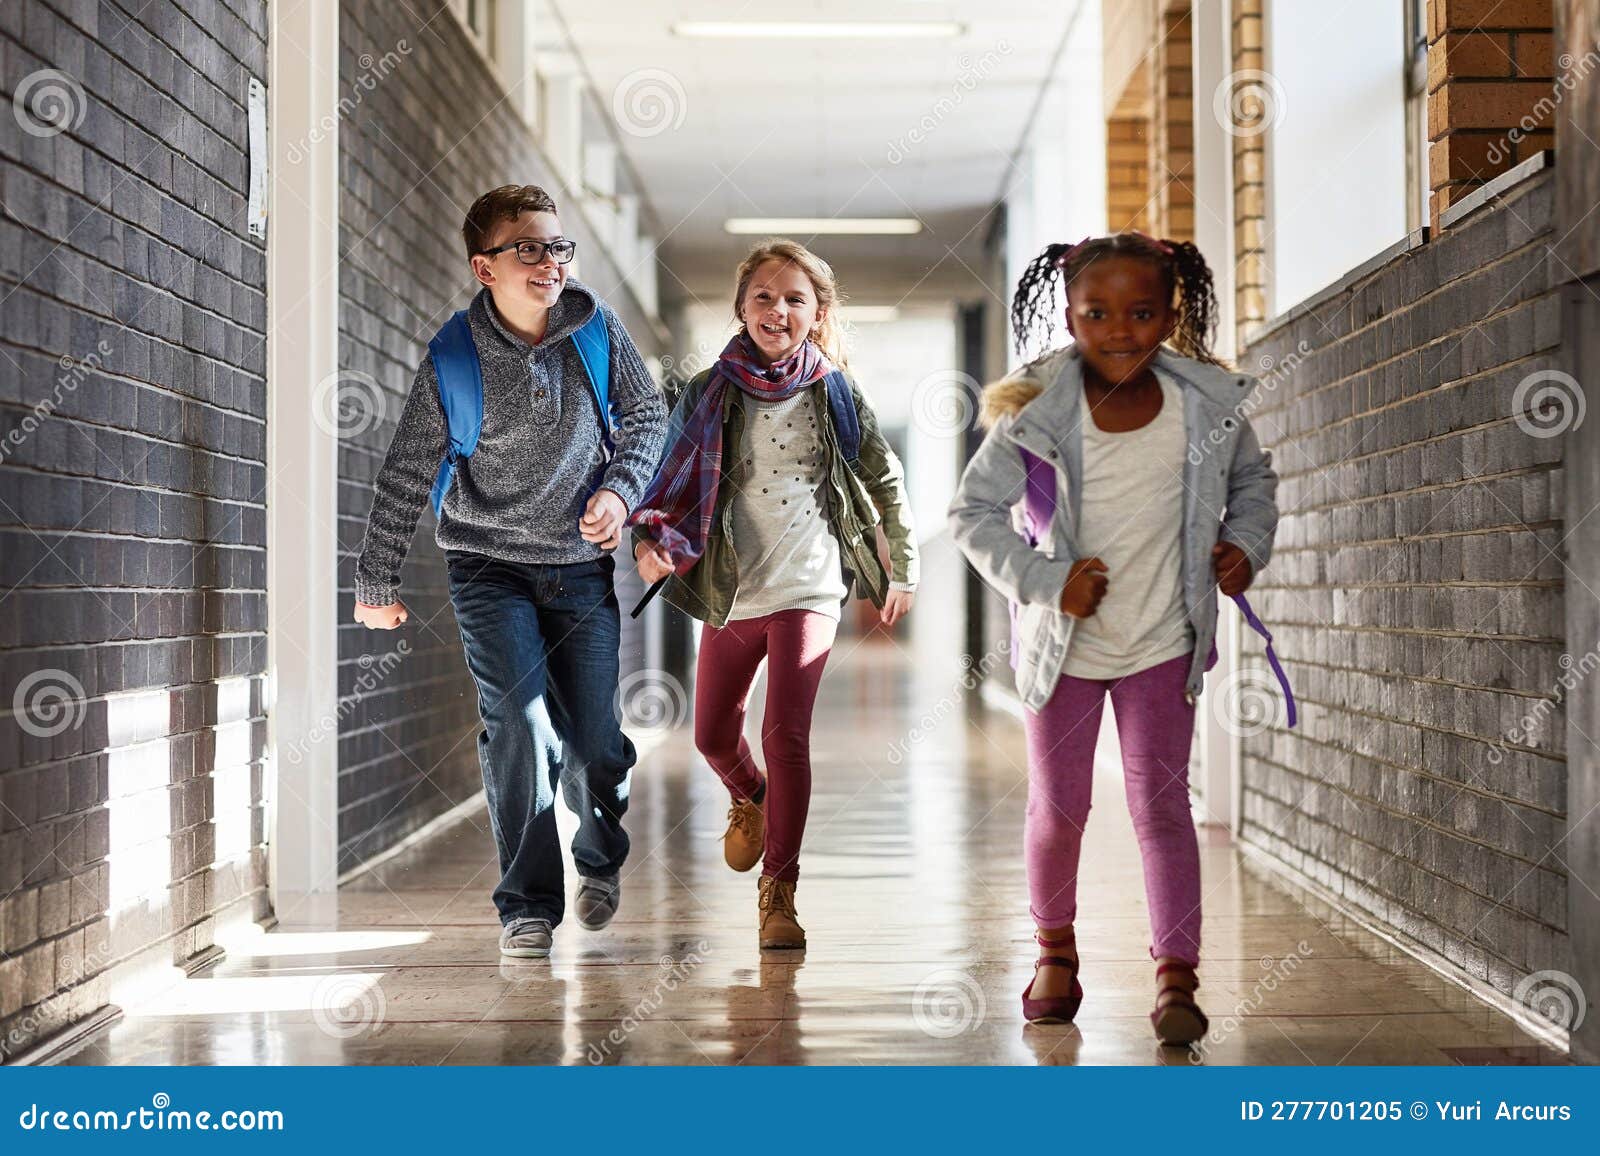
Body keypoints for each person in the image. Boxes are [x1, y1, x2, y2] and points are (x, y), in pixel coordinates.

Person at [949, 232, 1279, 1044]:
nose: (1119, 330)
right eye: (1097, 313)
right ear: (1070, 317)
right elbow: (973, 514)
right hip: (1063, 648)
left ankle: (1177, 978)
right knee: (1060, 808)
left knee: (1162, 809)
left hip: (1163, 641)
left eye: (1141, 312)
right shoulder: (1037, 410)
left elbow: (1253, 483)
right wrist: (1046, 581)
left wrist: (1245, 544)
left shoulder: (1205, 405)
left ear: (1170, 314)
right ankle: (1054, 954)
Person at [353, 185, 667, 959]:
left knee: (595, 743)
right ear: (484, 267)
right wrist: (376, 582)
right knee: (520, 729)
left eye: (558, 247)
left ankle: (600, 854)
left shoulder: (597, 330)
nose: (549, 262)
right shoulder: (454, 356)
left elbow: (647, 416)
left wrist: (619, 492)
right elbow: (407, 469)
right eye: (528, 248)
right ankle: (527, 906)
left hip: (578, 571)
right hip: (487, 567)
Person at [629, 240, 918, 951]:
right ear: (741, 307)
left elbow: (883, 478)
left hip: (809, 587)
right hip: (731, 589)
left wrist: (903, 567)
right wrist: (650, 540)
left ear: (817, 313)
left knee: (785, 736)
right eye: (764, 295)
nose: (778, 309)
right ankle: (752, 796)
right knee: (710, 735)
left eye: (795, 298)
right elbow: (665, 476)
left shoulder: (837, 393)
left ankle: (779, 893)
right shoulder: (708, 390)